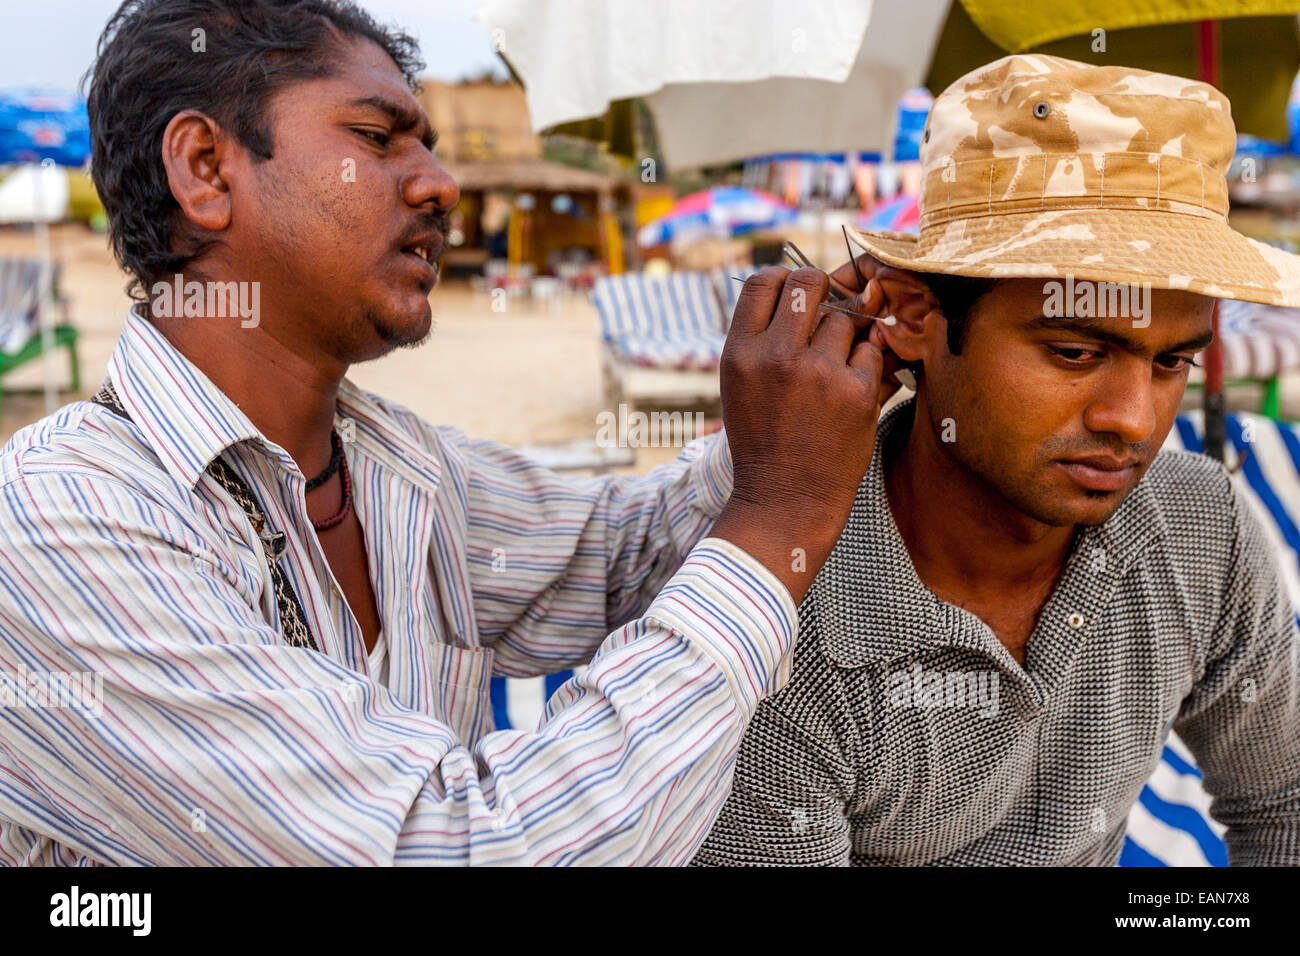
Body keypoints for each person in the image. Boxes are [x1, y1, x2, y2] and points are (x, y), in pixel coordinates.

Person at [0, 0, 894, 865]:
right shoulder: (58, 520)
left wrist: (808, 393)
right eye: (377, 139)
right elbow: (455, 843)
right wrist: (779, 516)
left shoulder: (403, 469)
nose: (440, 183)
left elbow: (623, 553)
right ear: (205, 168)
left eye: (427, 144)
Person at [693, 54, 1300, 866]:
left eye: (1170, 364)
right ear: (913, 314)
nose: (1134, 422)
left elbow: (1285, 803)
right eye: (1075, 351)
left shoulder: (1195, 527)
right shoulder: (778, 614)